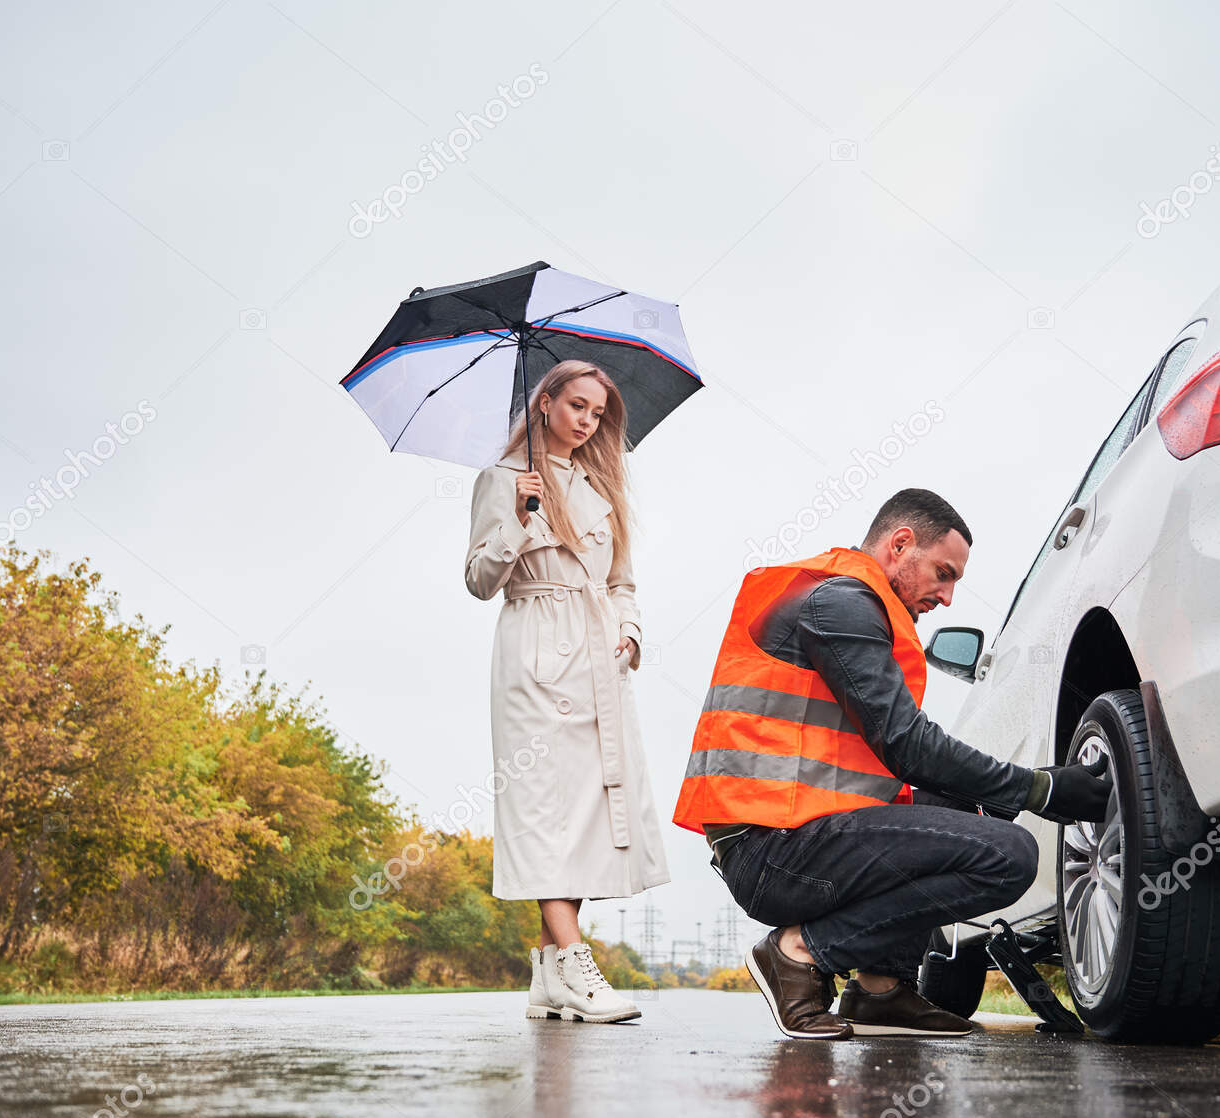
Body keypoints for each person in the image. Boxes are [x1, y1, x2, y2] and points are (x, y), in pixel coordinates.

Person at [673, 489, 1111, 1038]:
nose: (948, 597)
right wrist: (1039, 789)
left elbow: (915, 762)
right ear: (900, 544)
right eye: (942, 573)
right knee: (1010, 857)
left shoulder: (849, 601)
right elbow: (907, 744)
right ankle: (797, 952)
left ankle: (881, 990)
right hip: (772, 852)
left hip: (799, 834)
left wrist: (1004, 792)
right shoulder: (839, 603)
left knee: (954, 799)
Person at [465, 359, 669, 1024]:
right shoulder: (502, 480)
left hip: (596, 657)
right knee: (541, 811)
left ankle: (550, 974)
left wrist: (631, 637)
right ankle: (578, 966)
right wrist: (522, 517)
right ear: (545, 401)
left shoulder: (599, 484)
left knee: (583, 816)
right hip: (532, 655)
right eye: (576, 405)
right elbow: (477, 579)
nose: (586, 421)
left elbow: (622, 581)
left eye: (597, 413)